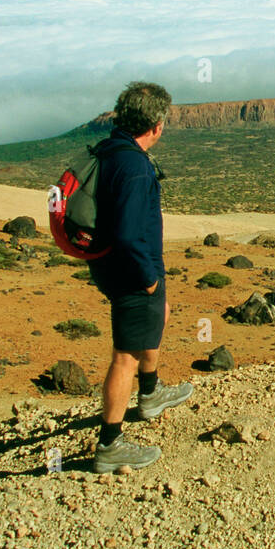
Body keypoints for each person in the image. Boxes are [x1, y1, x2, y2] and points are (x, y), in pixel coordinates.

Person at [87, 81, 192, 473]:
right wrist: (148, 278)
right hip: (133, 269)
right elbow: (129, 235)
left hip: (118, 265)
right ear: (157, 125)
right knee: (125, 356)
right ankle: (109, 445)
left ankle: (151, 394)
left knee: (159, 315)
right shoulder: (134, 167)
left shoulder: (112, 148)